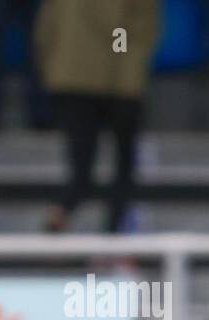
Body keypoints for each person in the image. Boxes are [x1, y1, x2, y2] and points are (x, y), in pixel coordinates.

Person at [34, 0, 162, 233]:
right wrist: (131, 77)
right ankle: (111, 238)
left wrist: (52, 66)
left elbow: (47, 25)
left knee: (82, 168)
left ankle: (63, 211)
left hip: (70, 74)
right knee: (123, 166)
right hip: (120, 82)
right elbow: (140, 29)